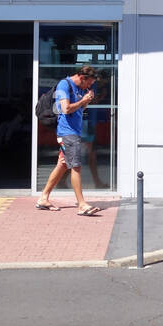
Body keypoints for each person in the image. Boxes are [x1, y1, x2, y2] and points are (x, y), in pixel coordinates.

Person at [37, 65, 102, 215]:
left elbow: (79, 109)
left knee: (62, 164)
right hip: (67, 133)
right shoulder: (64, 85)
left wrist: (86, 101)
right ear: (81, 77)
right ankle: (82, 205)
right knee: (76, 167)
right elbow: (65, 109)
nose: (89, 86)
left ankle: (43, 198)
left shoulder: (80, 88)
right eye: (89, 83)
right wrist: (83, 100)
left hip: (74, 131)